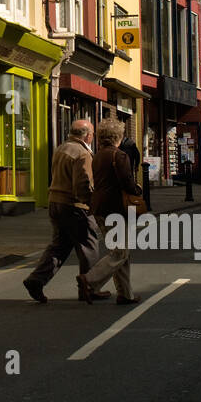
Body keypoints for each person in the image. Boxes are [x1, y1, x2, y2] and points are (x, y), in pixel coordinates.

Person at [23, 120, 95, 304]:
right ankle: (90, 287)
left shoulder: (62, 148)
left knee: (60, 246)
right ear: (87, 135)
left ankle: (36, 280)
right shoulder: (82, 153)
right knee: (89, 245)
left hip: (55, 202)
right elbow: (83, 185)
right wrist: (91, 204)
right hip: (74, 206)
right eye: (92, 134)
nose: (92, 137)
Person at [84, 118, 142, 305]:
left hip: (100, 208)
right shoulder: (119, 156)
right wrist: (137, 189)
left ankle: (126, 294)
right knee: (120, 252)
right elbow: (127, 182)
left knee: (121, 250)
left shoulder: (98, 155)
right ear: (118, 136)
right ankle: (90, 280)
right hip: (115, 208)